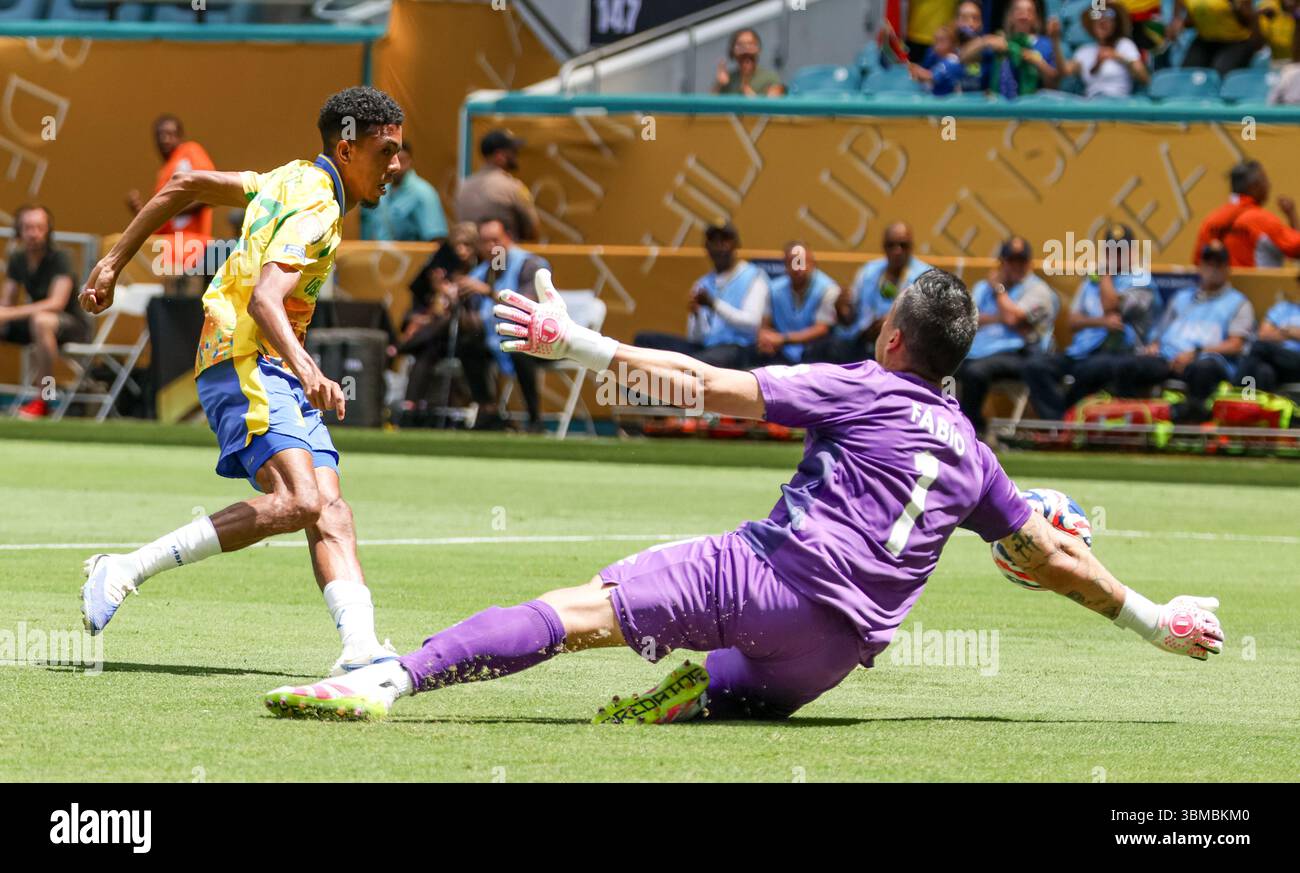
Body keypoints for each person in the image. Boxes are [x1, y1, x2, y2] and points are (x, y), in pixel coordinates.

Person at [263, 268, 1225, 723]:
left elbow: (707, 385)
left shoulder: (861, 383)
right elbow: (1047, 554)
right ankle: (703, 691)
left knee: (572, 612)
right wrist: (1154, 616)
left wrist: (581, 346)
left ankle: (391, 678)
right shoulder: (975, 456)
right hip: (831, 660)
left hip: (766, 577)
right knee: (734, 686)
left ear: (894, 341)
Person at [76, 86, 406, 676]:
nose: (397, 167)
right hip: (246, 358)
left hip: (266, 360)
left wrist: (113, 261)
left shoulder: (292, 176)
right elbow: (264, 300)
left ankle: (361, 648)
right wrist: (309, 370)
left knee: (331, 508)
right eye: (386, 152)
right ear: (349, 147)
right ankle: (124, 569)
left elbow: (185, 188)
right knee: (302, 499)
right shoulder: (318, 208)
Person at [1071, 241, 1254, 422]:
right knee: (1127, 366)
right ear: (1200, 266)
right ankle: (1133, 422)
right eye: (1208, 262)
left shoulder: (1238, 302)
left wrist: (1196, 352)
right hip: (1168, 358)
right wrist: (1154, 346)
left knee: (1203, 370)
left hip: (1204, 360)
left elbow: (1236, 345)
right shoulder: (1182, 298)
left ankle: (1193, 428)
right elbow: (1159, 333)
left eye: (1219, 263)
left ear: (1228, 268)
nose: (1213, 268)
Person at [1022, 224, 1157, 420]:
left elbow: (1111, 305)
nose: (1115, 255)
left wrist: (1105, 276)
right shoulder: (1089, 282)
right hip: (1081, 351)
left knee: (1090, 370)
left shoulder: (1141, 281)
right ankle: (1056, 422)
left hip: (1117, 353)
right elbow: (1073, 321)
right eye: (1111, 249)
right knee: (1034, 367)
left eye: (1121, 250)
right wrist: (1101, 322)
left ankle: (1065, 422)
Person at [955, 236, 1057, 437]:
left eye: (1022, 260)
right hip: (978, 351)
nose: (1016, 266)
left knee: (976, 372)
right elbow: (967, 318)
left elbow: (1011, 318)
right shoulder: (982, 288)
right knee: (943, 365)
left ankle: (973, 431)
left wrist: (999, 292)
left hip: (1020, 354)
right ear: (1002, 262)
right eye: (1011, 260)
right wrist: (1002, 316)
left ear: (1029, 263)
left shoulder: (1037, 290)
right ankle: (947, 427)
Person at [634, 220, 769, 369]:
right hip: (706, 348)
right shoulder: (702, 283)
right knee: (644, 341)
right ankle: (646, 391)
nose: (719, 246)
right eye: (713, 241)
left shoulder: (753, 276)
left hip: (737, 349)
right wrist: (697, 315)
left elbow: (752, 324)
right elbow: (695, 338)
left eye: (724, 240)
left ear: (736, 244)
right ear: (706, 247)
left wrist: (713, 304)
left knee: (693, 365)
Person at [455, 218, 550, 431]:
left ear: (509, 237)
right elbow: (474, 312)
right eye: (485, 242)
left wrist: (487, 291)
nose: (491, 247)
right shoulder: (483, 270)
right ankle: (488, 410)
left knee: (519, 348)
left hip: (537, 340)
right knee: (468, 344)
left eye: (495, 240)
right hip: (497, 339)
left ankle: (535, 419)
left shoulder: (530, 265)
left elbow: (527, 306)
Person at [0, 205, 91, 419]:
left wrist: (8, 314)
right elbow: (7, 301)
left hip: (70, 326)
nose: (34, 233)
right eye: (28, 228)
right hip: (35, 324)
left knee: (42, 321)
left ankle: (45, 398)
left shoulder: (61, 257)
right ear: (19, 231)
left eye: (40, 228)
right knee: (36, 322)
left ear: (48, 230)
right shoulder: (17, 259)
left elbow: (56, 303)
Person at [395, 222, 481, 425]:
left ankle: (400, 347)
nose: (461, 251)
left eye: (467, 246)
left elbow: (474, 316)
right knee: (427, 352)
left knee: (444, 324)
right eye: (457, 246)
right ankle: (410, 409)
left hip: (468, 340)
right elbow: (419, 309)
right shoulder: (440, 271)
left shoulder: (479, 274)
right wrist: (436, 292)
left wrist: (454, 300)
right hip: (437, 341)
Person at [812, 222, 932, 364]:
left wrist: (895, 322)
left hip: (905, 348)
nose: (897, 251)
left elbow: (927, 322)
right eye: (891, 245)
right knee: (823, 349)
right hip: (865, 342)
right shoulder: (869, 271)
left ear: (912, 247)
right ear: (884, 247)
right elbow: (849, 319)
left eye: (903, 245)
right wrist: (842, 311)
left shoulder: (925, 276)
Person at [126, 114, 215, 284]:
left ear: (180, 137)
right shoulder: (163, 174)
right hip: (171, 247)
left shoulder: (189, 152)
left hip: (193, 244)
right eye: (160, 135)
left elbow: (208, 191)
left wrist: (168, 209)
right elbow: (159, 224)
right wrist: (141, 212)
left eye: (170, 134)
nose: (165, 139)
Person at [1193, 159, 1300, 267]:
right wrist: (1293, 216)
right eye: (1265, 180)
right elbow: (1296, 248)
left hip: (1224, 284)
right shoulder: (1262, 220)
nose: (1269, 185)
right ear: (1254, 186)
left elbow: (1198, 261)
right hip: (1259, 284)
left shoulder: (1211, 221)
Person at [757, 241, 840, 365]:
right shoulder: (774, 289)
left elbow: (822, 328)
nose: (798, 267)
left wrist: (783, 339)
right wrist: (765, 338)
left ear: (813, 263)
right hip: (781, 351)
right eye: (793, 262)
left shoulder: (828, 289)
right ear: (785, 265)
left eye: (802, 261)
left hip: (815, 350)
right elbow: (765, 324)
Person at [455, 129, 539, 243]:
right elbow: (532, 230)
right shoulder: (513, 187)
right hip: (502, 256)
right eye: (513, 151)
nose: (516, 156)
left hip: (472, 257)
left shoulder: (464, 187)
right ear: (499, 156)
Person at [1051, 4, 1150, 98]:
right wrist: (1055, 40)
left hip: (1118, 104)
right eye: (1097, 16)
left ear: (1115, 24)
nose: (1102, 20)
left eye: (1109, 15)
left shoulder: (1124, 45)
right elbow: (1064, 71)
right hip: (1092, 104)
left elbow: (1144, 78)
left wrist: (1118, 57)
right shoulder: (1084, 51)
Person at [360, 140, 448, 243]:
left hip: (413, 257)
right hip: (379, 256)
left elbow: (436, 239)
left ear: (410, 161)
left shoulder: (423, 193)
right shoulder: (379, 189)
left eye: (401, 161)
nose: (396, 166)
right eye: (390, 160)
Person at [1237, 274, 1300, 391]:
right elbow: (1263, 334)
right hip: (1277, 358)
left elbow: (1265, 339)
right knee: (1263, 371)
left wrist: (1284, 331)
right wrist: (1291, 333)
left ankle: (1236, 390)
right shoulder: (1284, 307)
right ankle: (1255, 406)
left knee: (1259, 347)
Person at [988, 0, 1060, 99]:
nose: (1024, 16)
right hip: (999, 107)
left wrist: (1039, 63)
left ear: (1035, 17)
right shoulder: (999, 42)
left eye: (1029, 11)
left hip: (1032, 107)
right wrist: (985, 42)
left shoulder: (1045, 44)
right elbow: (963, 58)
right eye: (1019, 10)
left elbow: (1054, 84)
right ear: (1010, 15)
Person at [1169, 0, 1261, 77]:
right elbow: (1185, 20)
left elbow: (1250, 20)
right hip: (1205, 40)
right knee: (1186, 76)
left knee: (1218, 74)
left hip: (1236, 41)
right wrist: (1178, 24)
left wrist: (1234, 5)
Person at [713, 28, 785, 96]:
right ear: (732, 52)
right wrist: (719, 85)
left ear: (758, 49)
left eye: (750, 44)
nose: (746, 50)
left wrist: (748, 93)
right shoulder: (729, 79)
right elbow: (710, 105)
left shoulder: (770, 78)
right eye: (740, 45)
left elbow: (772, 106)